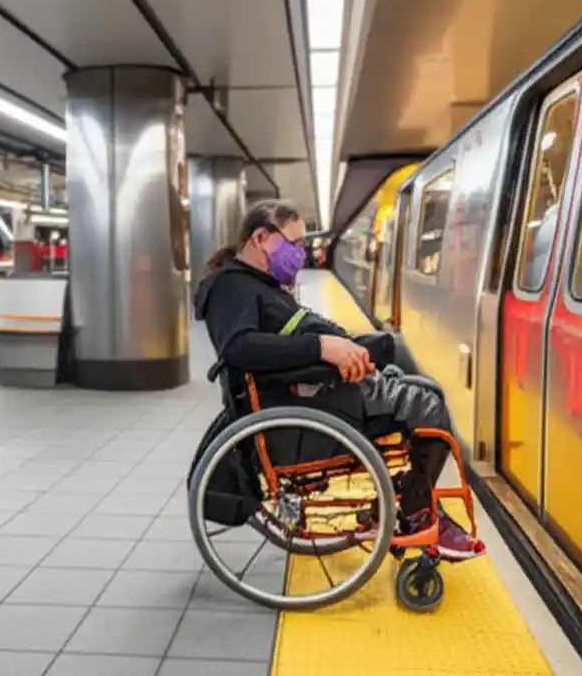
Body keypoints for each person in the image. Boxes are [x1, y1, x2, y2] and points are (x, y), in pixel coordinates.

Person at [193, 199, 483, 561]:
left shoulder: (255, 283)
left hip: (312, 393)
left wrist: (336, 347)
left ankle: (408, 500)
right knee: (430, 405)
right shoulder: (232, 287)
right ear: (260, 238)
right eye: (294, 244)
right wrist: (321, 347)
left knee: (405, 366)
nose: (300, 254)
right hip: (305, 405)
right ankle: (416, 507)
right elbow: (239, 347)